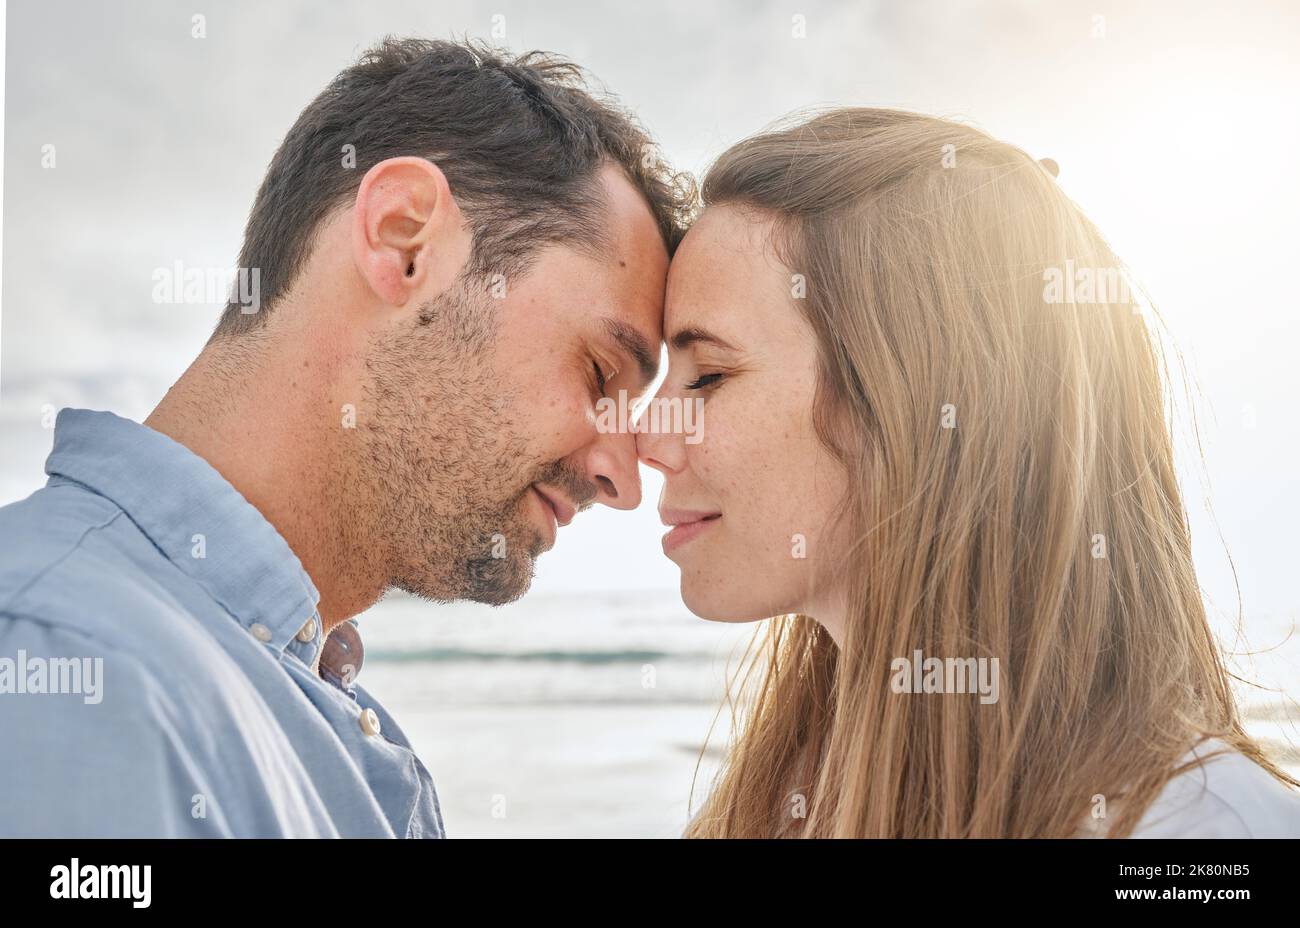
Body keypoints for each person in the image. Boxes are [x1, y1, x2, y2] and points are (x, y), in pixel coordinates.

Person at [0, 37, 689, 837]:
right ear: (404, 242)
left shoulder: (287, 699)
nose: (625, 479)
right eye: (602, 373)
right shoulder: (71, 669)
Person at [638, 107, 1300, 838]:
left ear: (908, 402)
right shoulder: (778, 809)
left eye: (707, 376)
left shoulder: (1208, 837)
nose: (646, 435)